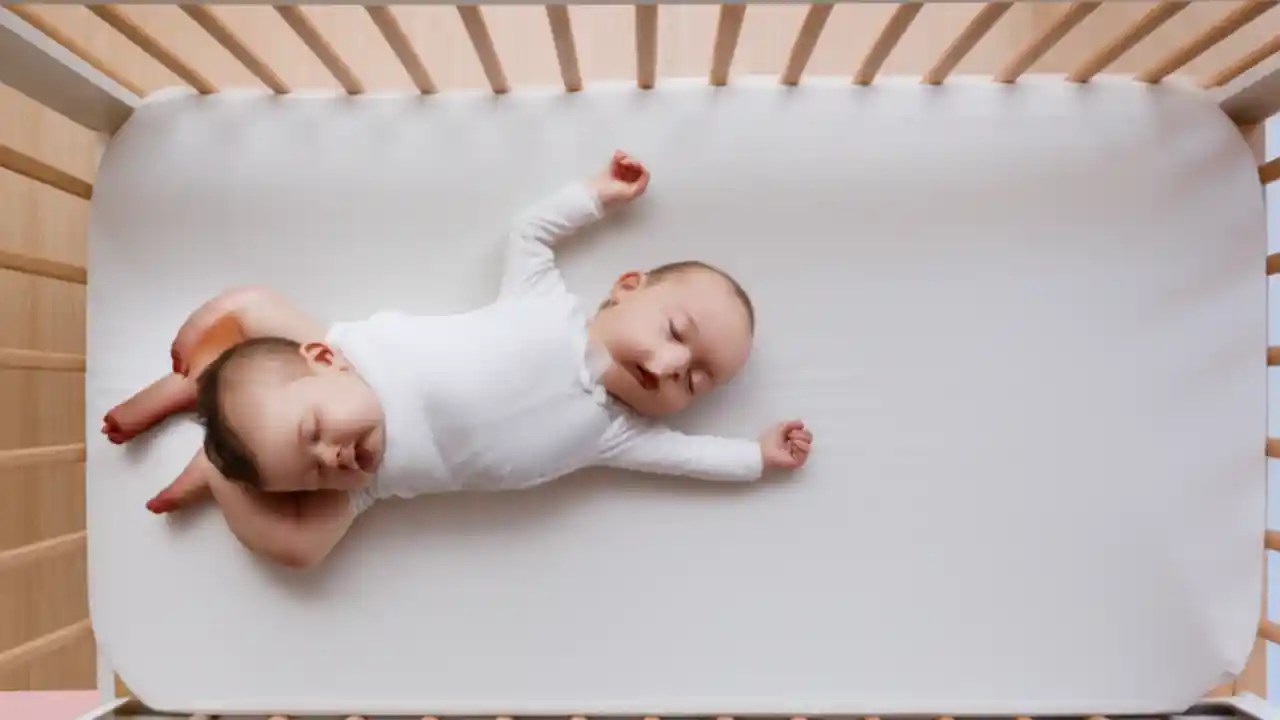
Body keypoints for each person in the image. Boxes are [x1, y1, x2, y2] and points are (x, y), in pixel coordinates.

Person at [103, 151, 813, 569]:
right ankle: (194, 380)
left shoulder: (617, 434)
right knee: (252, 310)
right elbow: (530, 234)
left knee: (301, 551)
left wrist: (755, 458)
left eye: (696, 380)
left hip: (366, 482)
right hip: (344, 376)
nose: (668, 365)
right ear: (625, 289)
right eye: (676, 331)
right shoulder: (544, 303)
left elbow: (688, 458)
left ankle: (221, 466)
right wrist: (594, 196)